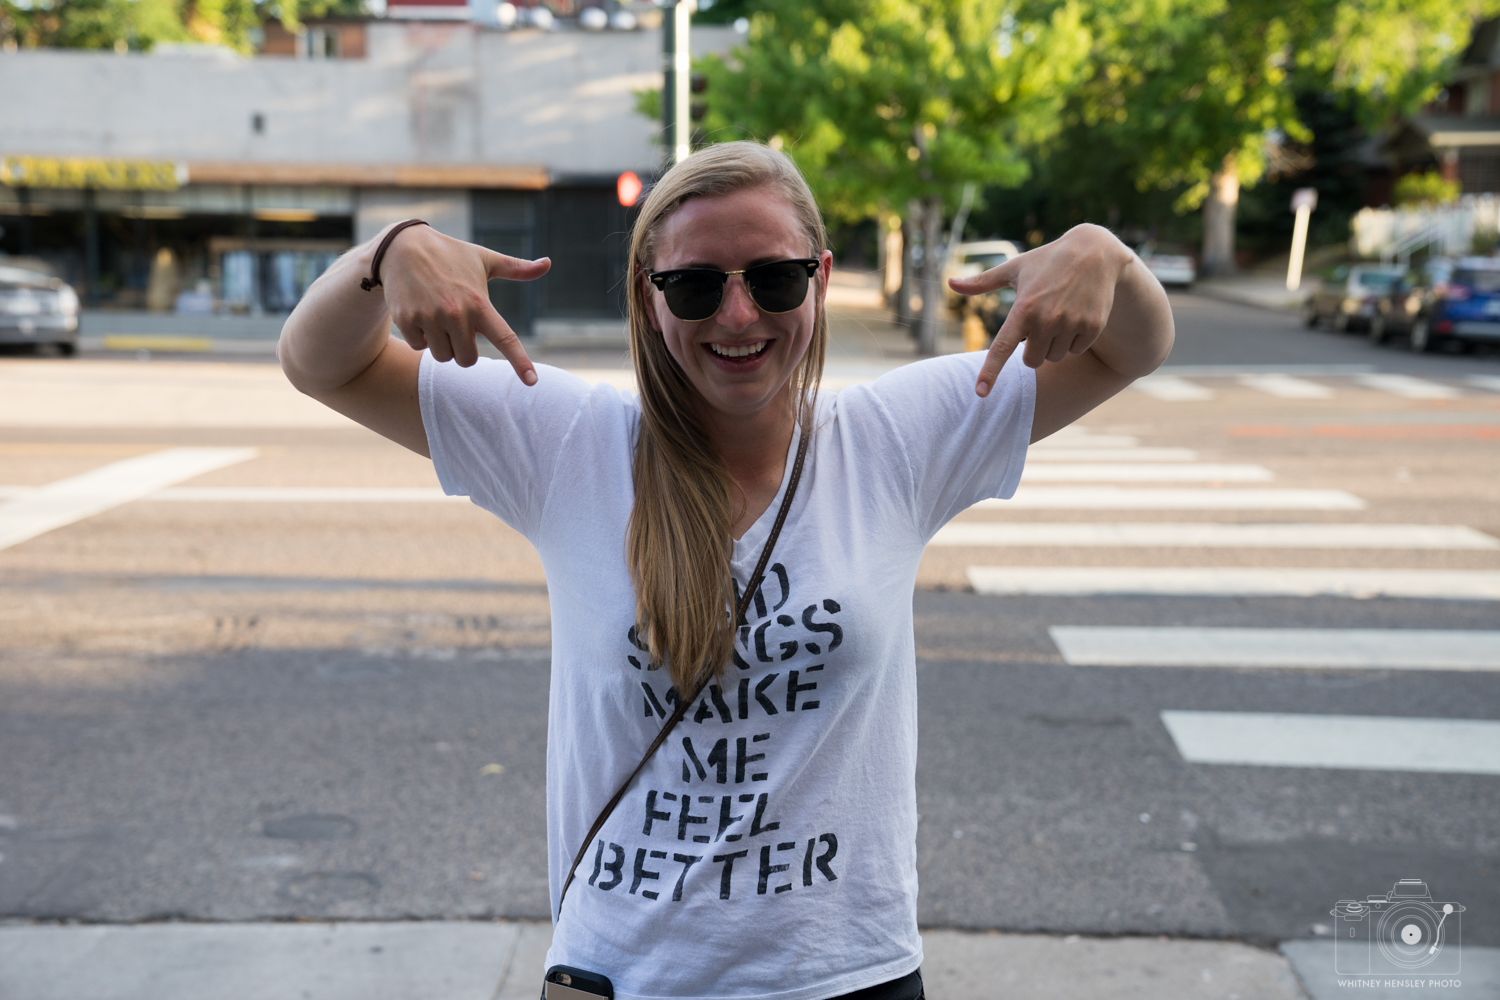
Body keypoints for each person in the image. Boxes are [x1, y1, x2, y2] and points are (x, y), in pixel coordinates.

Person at [278, 141, 1173, 1000]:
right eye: (696, 286)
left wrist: (1105, 257)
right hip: (630, 977)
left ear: (819, 280)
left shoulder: (899, 439)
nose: (738, 317)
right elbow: (320, 361)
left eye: (774, 279)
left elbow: (1132, 347)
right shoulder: (567, 444)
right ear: (648, 294)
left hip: (847, 974)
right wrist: (388, 252)